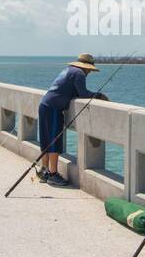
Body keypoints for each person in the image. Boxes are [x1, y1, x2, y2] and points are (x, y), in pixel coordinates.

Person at [37, 53, 108, 186]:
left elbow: (71, 90)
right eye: (90, 70)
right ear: (87, 67)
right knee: (54, 141)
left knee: (46, 139)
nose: (89, 73)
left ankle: (44, 171)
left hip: (45, 105)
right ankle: (53, 174)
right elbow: (83, 94)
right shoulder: (79, 73)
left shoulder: (68, 70)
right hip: (53, 108)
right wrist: (98, 95)